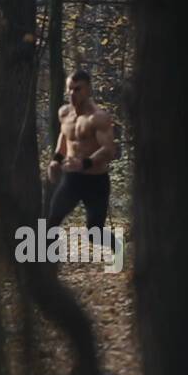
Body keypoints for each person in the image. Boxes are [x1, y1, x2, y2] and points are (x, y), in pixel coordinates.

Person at [46, 69, 118, 253]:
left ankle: (119, 249)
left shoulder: (99, 117)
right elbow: (64, 139)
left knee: (94, 233)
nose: (72, 93)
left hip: (96, 181)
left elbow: (108, 150)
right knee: (51, 222)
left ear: (88, 90)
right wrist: (56, 160)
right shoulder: (64, 113)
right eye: (70, 89)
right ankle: (47, 270)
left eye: (78, 89)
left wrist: (84, 163)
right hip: (72, 180)